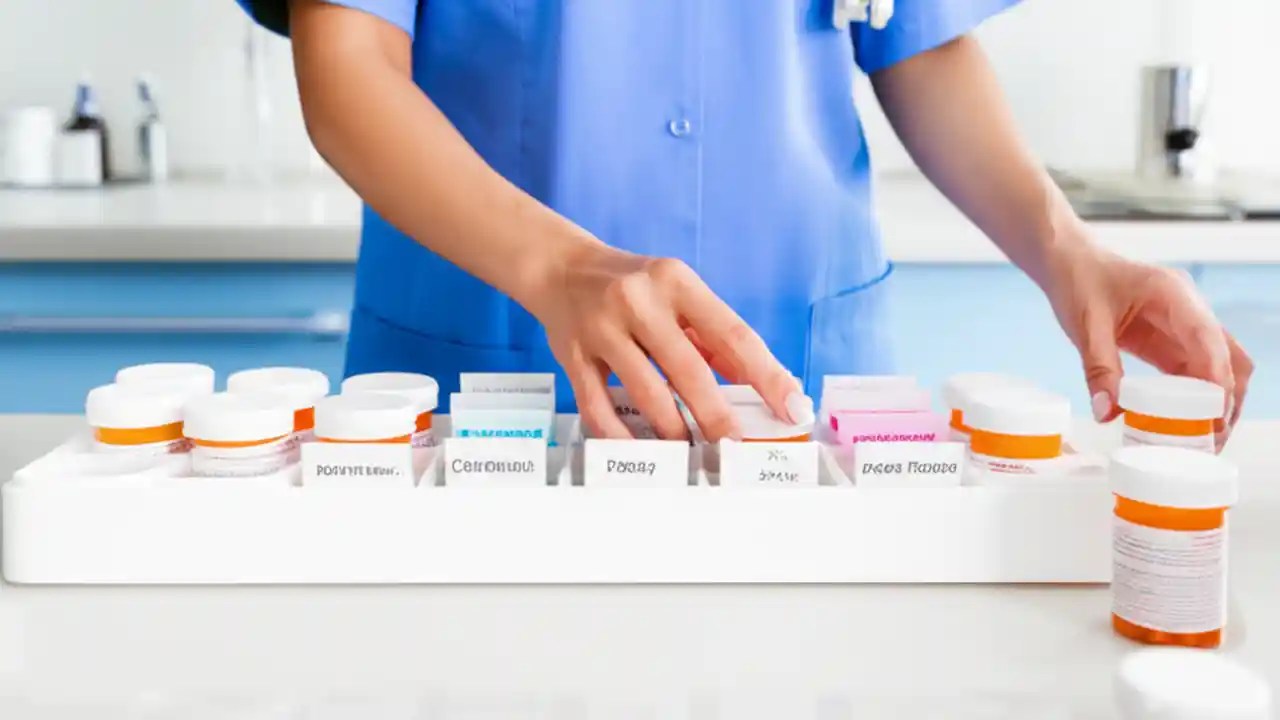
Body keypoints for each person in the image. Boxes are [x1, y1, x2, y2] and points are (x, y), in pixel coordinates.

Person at [236, 0, 1251, 447]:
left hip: (797, 374)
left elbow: (915, 37)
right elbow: (347, 66)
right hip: (494, 376)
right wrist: (555, 266)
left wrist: (1067, 252)